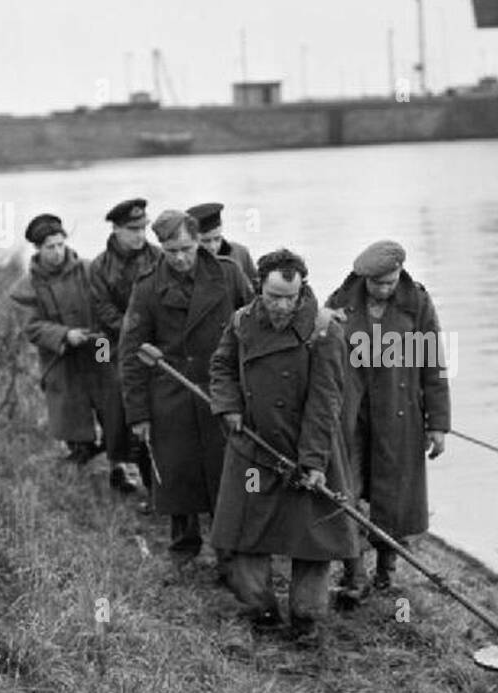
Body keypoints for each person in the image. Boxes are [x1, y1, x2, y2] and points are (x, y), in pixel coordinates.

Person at [209, 248, 355, 643]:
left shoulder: (324, 330)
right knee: (246, 532)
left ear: (301, 289)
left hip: (306, 447)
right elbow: (221, 367)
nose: (281, 305)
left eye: (289, 297)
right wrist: (228, 406)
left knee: (312, 539)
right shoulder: (241, 322)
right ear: (260, 288)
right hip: (253, 450)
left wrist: (313, 461)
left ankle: (306, 621)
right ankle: (261, 613)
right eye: (273, 296)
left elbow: (325, 402)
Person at [118, 209, 251, 576]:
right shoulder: (147, 288)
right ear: (161, 247)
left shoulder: (228, 274)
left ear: (199, 241)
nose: (180, 257)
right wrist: (139, 414)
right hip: (171, 397)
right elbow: (131, 353)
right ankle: (183, 550)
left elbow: (255, 324)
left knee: (227, 475)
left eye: (187, 248)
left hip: (221, 393)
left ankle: (231, 552)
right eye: (171, 250)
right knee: (176, 476)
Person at [325, 239, 450, 604]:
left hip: (399, 415)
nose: (383, 290)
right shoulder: (340, 302)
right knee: (345, 490)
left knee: (393, 495)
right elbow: (323, 356)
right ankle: (353, 574)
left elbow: (434, 367)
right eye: (376, 284)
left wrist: (438, 424)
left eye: (389, 283)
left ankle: (386, 572)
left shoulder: (417, 305)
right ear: (364, 278)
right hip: (351, 417)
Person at [8, 212, 122, 470]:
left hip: (100, 347)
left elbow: (109, 303)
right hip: (60, 356)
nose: (58, 252)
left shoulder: (90, 269)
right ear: (38, 249)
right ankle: (80, 454)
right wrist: (64, 335)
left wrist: (103, 332)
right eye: (51, 247)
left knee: (113, 398)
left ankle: (120, 463)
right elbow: (31, 326)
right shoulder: (26, 287)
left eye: (61, 244)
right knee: (70, 409)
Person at [89, 197, 160, 494]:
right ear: (117, 229)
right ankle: (121, 463)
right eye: (133, 229)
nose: (140, 235)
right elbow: (102, 308)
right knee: (116, 394)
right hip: (113, 342)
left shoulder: (158, 257)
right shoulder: (100, 266)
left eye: (143, 228)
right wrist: (132, 332)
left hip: (156, 342)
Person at [190, 202, 259, 289]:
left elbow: (257, 285)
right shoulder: (187, 261)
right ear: (193, 240)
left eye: (217, 239)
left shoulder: (240, 252)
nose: (213, 247)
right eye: (205, 241)